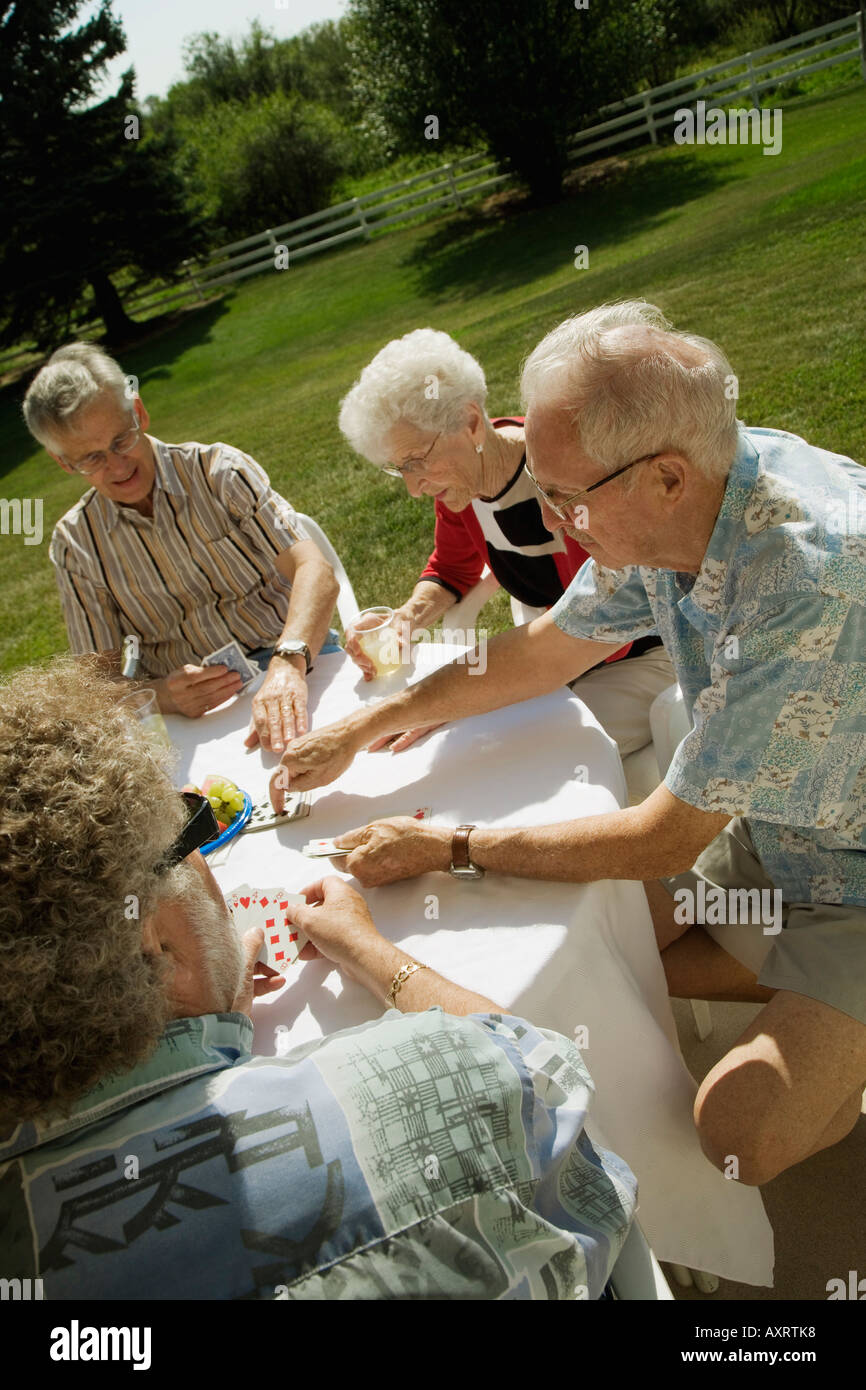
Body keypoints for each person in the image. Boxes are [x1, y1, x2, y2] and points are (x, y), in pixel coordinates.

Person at [271, 302, 866, 1188]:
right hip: (782, 826)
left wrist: (453, 846)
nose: (555, 518)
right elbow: (548, 648)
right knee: (620, 955)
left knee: (738, 1132)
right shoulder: (680, 491)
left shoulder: (807, 581)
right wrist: (365, 723)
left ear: (664, 476)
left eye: (565, 498)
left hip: (851, 868)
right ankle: (812, 989)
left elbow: (662, 837)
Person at [0, 659, 637, 1300]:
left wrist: (200, 1025)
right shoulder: (444, 1089)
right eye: (186, 830)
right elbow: (547, 1085)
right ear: (155, 947)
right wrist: (369, 951)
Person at [337, 324, 674, 755]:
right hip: (559, 660)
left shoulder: (561, 477)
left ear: (472, 424)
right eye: (400, 468)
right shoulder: (462, 489)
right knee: (462, 745)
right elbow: (451, 569)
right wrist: (406, 619)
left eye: (417, 462)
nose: (413, 488)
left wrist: (474, 693)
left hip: (643, 653)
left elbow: (601, 625)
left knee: (518, 752)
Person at [22, 342, 341, 753]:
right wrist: (163, 696)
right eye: (92, 459)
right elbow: (94, 684)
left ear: (138, 413)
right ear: (64, 463)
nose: (118, 467)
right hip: (191, 714)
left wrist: (287, 664)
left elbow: (314, 571)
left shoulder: (220, 473)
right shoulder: (76, 545)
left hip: (299, 657)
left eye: (121, 440)